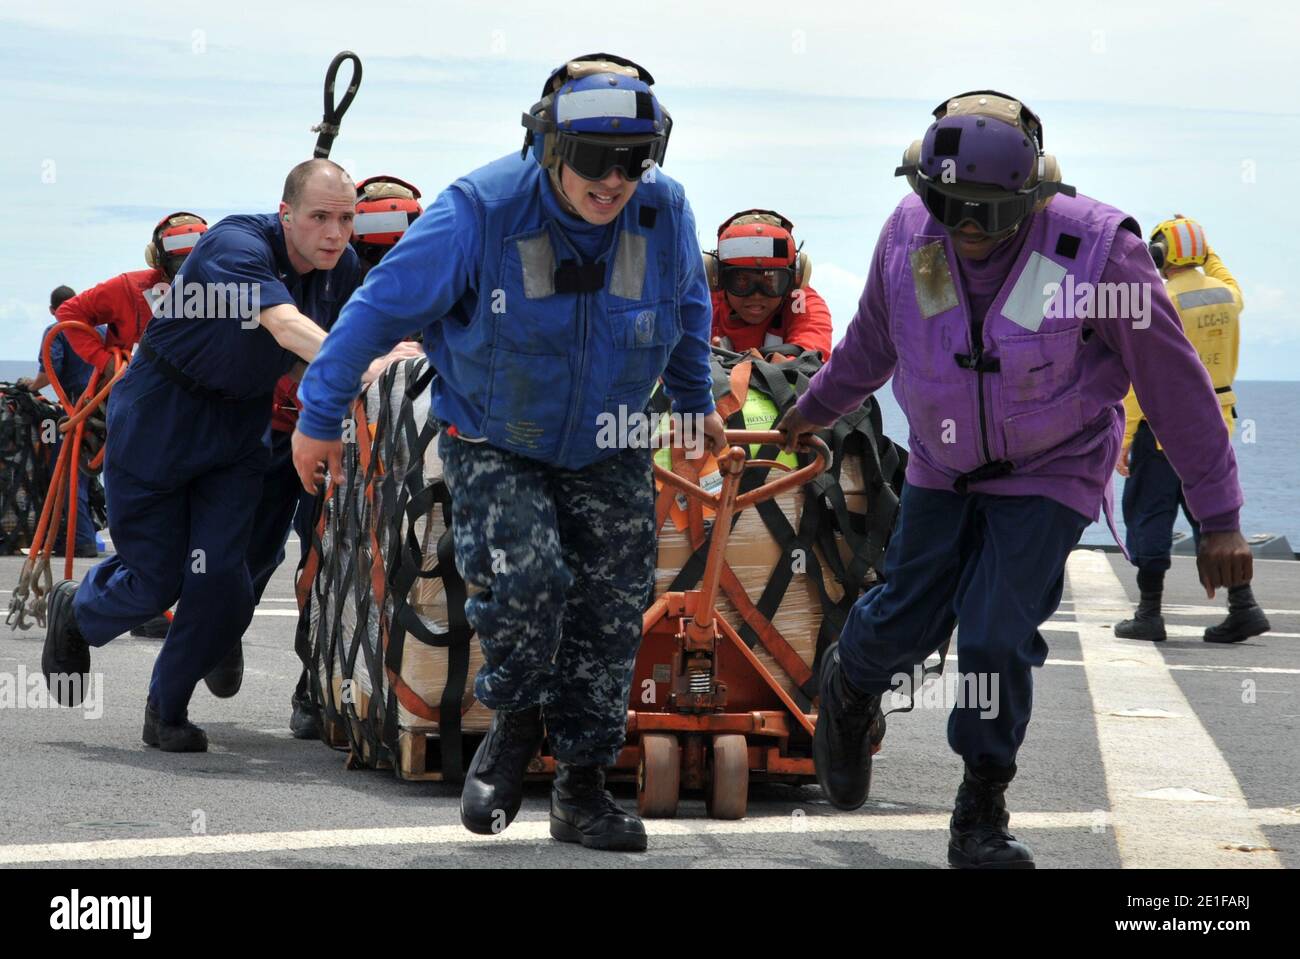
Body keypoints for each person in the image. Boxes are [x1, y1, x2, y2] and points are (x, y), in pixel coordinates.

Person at [777, 91, 1252, 869]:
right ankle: (850, 684)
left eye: (990, 215)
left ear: (1033, 194)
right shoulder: (908, 236)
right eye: (951, 209)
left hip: (1051, 467)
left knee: (997, 635)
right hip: (942, 460)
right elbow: (870, 341)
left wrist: (1220, 514)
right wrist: (811, 408)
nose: (967, 231)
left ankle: (981, 808)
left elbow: (1172, 381)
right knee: (907, 619)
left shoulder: (1100, 251)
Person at [292, 53, 725, 852]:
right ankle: (515, 720)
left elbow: (688, 307)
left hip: (611, 442)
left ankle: (583, 788)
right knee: (528, 584)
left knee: (610, 611)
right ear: (550, 147)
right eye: (594, 160)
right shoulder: (479, 210)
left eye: (633, 160)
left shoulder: (664, 211)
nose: (614, 181)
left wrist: (696, 401)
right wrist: (318, 416)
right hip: (496, 437)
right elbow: (374, 312)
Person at [41, 159, 365, 752]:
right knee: (157, 579)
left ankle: (166, 708)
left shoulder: (339, 266)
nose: (336, 234)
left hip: (238, 427)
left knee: (222, 581)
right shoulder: (232, 246)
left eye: (346, 219)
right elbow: (285, 324)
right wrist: (361, 362)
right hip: (161, 416)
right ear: (286, 214)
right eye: (320, 218)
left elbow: (322, 341)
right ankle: (78, 609)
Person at [205, 174, 426, 738]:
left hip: (371, 443)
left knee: (332, 557)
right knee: (251, 549)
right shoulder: (325, 263)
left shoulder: (422, 275)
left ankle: (317, 684)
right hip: (283, 426)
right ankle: (222, 629)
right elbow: (297, 337)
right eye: (374, 249)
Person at [1114, 217, 1268, 645]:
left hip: (1164, 430)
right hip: (1218, 423)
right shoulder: (1228, 297)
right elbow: (1222, 272)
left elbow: (1138, 378)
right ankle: (1243, 604)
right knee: (1214, 516)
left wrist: (1125, 437)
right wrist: (1201, 244)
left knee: (1149, 513)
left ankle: (1149, 614)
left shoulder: (1162, 299)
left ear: (1162, 254)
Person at [55, 213, 209, 636]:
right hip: (137, 419)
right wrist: (105, 363)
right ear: (159, 259)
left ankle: (166, 602)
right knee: (143, 519)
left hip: (192, 420)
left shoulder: (224, 290)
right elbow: (71, 314)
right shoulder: (128, 288)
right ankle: (139, 603)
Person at [16, 285, 98, 558]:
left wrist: (29, 386)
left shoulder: (58, 330)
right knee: (87, 474)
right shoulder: (99, 328)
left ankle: (80, 540)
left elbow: (48, 374)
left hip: (77, 412)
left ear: (53, 310)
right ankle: (83, 535)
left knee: (67, 474)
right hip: (107, 411)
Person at [706, 209, 833, 358]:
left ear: (794, 279)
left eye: (770, 279)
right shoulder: (703, 302)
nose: (756, 295)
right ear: (717, 277)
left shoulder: (802, 303)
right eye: (741, 279)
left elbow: (812, 353)